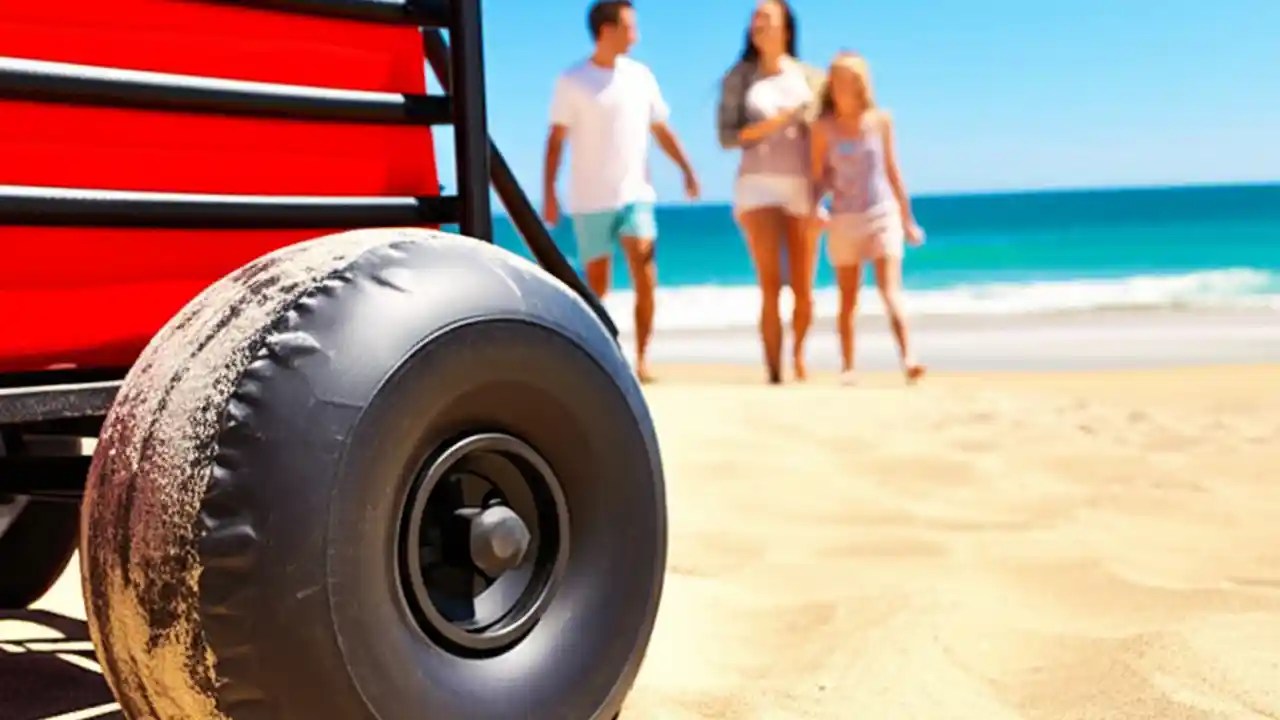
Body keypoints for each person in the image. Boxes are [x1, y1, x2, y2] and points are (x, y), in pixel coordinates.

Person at [542, 0, 700, 383]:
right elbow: (556, 139)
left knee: (645, 266)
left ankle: (643, 360)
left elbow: (662, 129)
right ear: (606, 30)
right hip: (590, 198)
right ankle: (599, 355)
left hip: (636, 193)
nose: (636, 35)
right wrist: (549, 191)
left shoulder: (640, 76)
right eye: (630, 27)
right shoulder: (572, 80)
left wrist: (687, 170)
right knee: (596, 284)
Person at [716, 0, 825, 385]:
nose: (757, 24)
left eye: (766, 17)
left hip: (802, 187)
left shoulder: (810, 77)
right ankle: (774, 369)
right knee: (770, 284)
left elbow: (824, 136)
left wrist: (824, 191)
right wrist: (781, 121)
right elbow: (728, 137)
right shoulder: (740, 77)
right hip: (757, 186)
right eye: (754, 19)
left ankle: (799, 357)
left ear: (786, 27)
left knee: (804, 287)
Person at [809, 51, 927, 385]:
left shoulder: (880, 121)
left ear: (862, 82)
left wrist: (907, 220)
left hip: (881, 214)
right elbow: (818, 177)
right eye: (836, 79)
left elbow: (892, 171)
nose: (842, 85)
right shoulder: (822, 128)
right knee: (848, 299)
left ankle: (909, 359)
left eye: (849, 78)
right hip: (844, 220)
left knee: (891, 290)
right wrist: (817, 206)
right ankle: (848, 366)